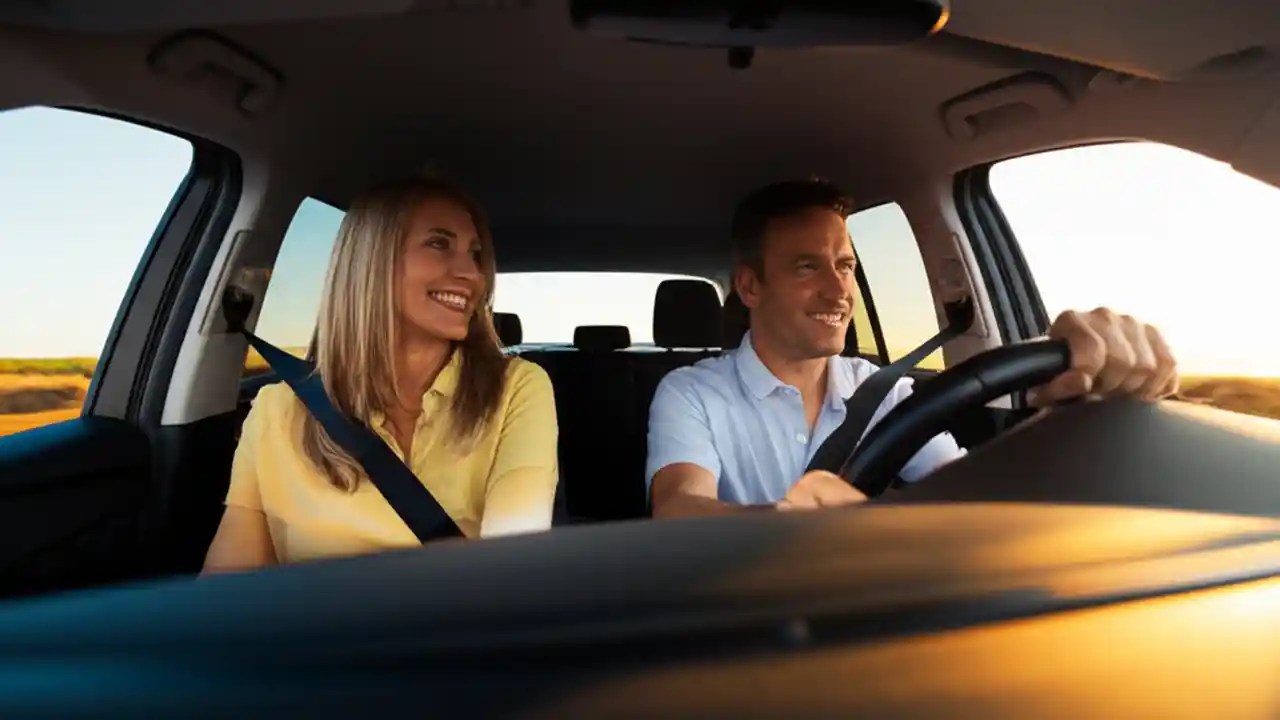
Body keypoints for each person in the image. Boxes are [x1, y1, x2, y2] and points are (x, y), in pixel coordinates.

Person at [646, 179, 1179, 517]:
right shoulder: (692, 392)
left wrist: (1074, 419)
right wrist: (792, 524)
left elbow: (964, 492)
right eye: (808, 267)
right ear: (751, 287)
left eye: (847, 265)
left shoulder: (883, 390)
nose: (839, 291)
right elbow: (679, 504)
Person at [204, 177, 558, 572]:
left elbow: (510, 572)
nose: (471, 274)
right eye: (439, 243)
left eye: (475, 255)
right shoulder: (277, 411)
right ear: (372, 262)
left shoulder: (515, 388)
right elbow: (225, 590)